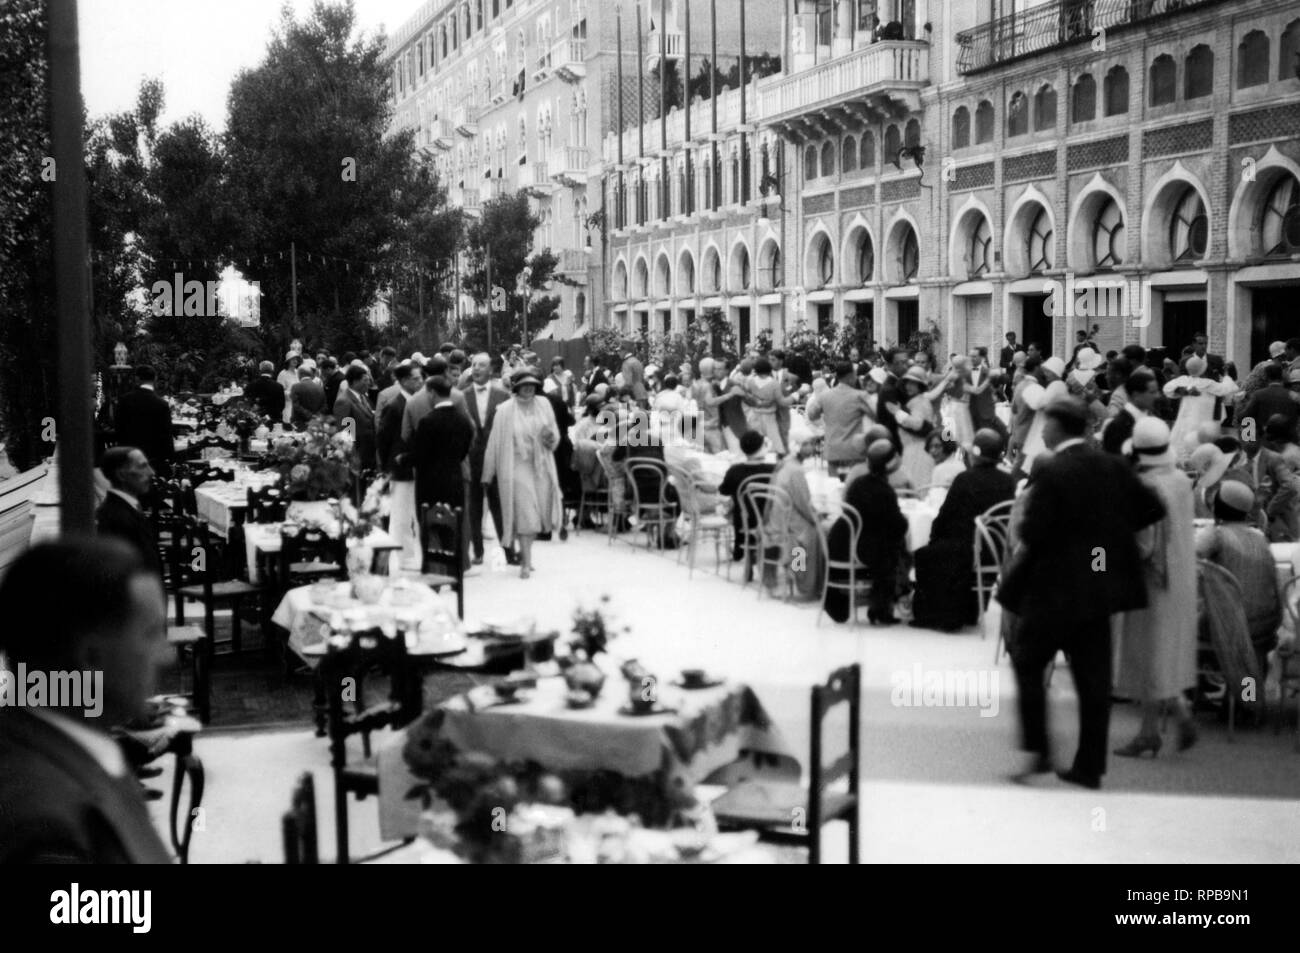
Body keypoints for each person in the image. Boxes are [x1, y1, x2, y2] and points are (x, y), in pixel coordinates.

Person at [998, 396, 1165, 790]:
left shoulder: (1055, 471)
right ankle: (1089, 767)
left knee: (1027, 661)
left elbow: (1033, 533)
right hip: (1099, 584)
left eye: (1047, 425)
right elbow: (1150, 509)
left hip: (1054, 587)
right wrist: (1106, 538)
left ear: (1058, 427)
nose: (1043, 430)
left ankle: (1039, 749)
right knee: (1094, 680)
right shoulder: (1113, 465)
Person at [0, 538, 174, 863]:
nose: (167, 655)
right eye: (151, 633)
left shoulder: (59, 746)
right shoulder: (44, 825)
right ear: (91, 658)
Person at [1112, 418, 1199, 758]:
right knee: (1163, 652)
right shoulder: (1179, 480)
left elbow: (1144, 545)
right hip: (1182, 575)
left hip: (1151, 580)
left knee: (1146, 653)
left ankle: (1158, 726)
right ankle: (1164, 721)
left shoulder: (1144, 486)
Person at [910, 429, 1017, 631]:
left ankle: (936, 614)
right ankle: (971, 608)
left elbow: (945, 516)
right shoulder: (1008, 480)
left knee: (925, 554)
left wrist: (934, 537)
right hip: (996, 547)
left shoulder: (965, 479)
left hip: (968, 549)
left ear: (975, 452)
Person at [482, 369, 563, 579]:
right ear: (516, 387)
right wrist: (487, 474)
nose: (529, 388)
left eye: (532, 385)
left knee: (539, 515)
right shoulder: (505, 410)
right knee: (526, 511)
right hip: (516, 465)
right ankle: (526, 563)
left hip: (541, 464)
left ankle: (526, 551)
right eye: (524, 385)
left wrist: (551, 438)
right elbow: (494, 443)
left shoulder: (544, 404)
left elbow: (554, 432)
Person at [1196, 481, 1281, 680]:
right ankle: (1244, 697)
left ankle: (1198, 687)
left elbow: (1189, 558)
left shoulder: (1215, 536)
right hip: (1264, 626)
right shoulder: (1260, 538)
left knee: (1185, 623)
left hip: (1231, 626)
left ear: (1217, 507)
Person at [824, 439, 908, 625]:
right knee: (896, 547)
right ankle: (884, 606)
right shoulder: (884, 490)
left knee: (889, 543)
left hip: (840, 541)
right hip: (860, 549)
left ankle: (882, 604)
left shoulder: (858, 484)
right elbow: (898, 526)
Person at [405, 376, 475, 551]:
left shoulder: (423, 417)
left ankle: (434, 569)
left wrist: (348, 440)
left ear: (432, 393)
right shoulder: (463, 420)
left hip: (428, 481)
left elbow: (408, 439)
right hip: (454, 479)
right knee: (451, 530)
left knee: (430, 529)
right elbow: (465, 449)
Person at [462, 353, 514, 565]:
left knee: (499, 505)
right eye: (474, 365)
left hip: (497, 457)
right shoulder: (461, 396)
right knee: (473, 507)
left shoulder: (503, 395)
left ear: (491, 369)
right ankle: (478, 551)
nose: (476, 369)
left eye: (481, 365)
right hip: (472, 457)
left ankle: (508, 551)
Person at [763, 420, 823, 601]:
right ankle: (801, 580)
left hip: (777, 518)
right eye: (807, 444)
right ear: (797, 446)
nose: (811, 448)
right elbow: (804, 505)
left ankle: (800, 577)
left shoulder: (785, 463)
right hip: (788, 524)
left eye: (812, 443)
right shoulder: (796, 470)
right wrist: (818, 517)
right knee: (815, 532)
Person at [377, 362, 424, 569]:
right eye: (415, 378)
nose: (420, 381)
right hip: (399, 468)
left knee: (413, 513)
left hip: (413, 467)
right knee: (401, 516)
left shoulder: (416, 402)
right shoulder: (394, 406)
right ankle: (405, 558)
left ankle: (411, 554)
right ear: (403, 381)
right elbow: (383, 440)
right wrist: (389, 468)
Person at [95, 446, 162, 579]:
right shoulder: (116, 517)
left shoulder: (129, 508)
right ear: (121, 475)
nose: (151, 472)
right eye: (143, 466)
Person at [1166, 355, 1238, 464]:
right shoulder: (1207, 384)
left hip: (1183, 422)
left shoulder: (1182, 381)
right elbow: (1226, 389)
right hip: (1200, 423)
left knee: (1180, 450)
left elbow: (1167, 389)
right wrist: (1227, 376)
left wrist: (1185, 390)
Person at [718, 430, 777, 561]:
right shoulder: (775, 469)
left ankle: (740, 550)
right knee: (802, 538)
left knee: (737, 504)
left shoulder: (735, 471)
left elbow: (724, 491)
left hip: (744, 520)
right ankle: (799, 568)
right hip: (771, 519)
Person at [893, 365, 950, 489]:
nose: (909, 386)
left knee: (917, 487)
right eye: (908, 382)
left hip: (917, 451)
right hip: (913, 448)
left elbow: (917, 424)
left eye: (914, 383)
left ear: (920, 385)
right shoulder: (918, 400)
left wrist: (897, 413)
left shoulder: (919, 402)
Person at [113, 366, 173, 472]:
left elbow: (118, 428)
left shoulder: (125, 400)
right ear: (155, 379)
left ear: (137, 379)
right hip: (153, 458)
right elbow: (166, 434)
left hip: (129, 455)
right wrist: (170, 458)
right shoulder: (161, 404)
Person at [1101, 368, 1160, 455]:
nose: (1157, 396)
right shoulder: (1118, 426)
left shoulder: (1152, 417)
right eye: (1152, 392)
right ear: (1136, 395)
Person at [1238, 363, 1299, 442]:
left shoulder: (1258, 395)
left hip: (1267, 442)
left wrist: (1240, 403)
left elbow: (1244, 416)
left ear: (1266, 377)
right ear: (1281, 376)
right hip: (1290, 442)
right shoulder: (1293, 395)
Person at [743, 357, 792, 456]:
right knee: (775, 444)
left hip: (754, 415)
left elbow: (746, 397)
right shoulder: (774, 384)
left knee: (754, 444)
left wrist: (757, 402)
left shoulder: (750, 381)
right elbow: (782, 402)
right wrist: (795, 396)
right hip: (769, 417)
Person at [333, 365, 376, 471]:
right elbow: (346, 434)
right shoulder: (344, 401)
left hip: (368, 452)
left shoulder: (362, 397)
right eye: (365, 380)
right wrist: (352, 458)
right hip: (357, 455)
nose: (369, 383)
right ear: (355, 381)